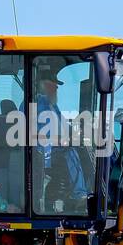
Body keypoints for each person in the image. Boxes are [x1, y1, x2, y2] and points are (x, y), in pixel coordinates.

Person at [34, 66, 89, 211]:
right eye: (54, 86)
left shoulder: (52, 105)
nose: (57, 89)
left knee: (80, 149)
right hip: (43, 152)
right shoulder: (38, 105)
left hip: (54, 147)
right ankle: (79, 195)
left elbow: (62, 126)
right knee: (71, 153)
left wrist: (76, 133)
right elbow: (39, 134)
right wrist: (63, 140)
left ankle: (83, 194)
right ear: (44, 85)